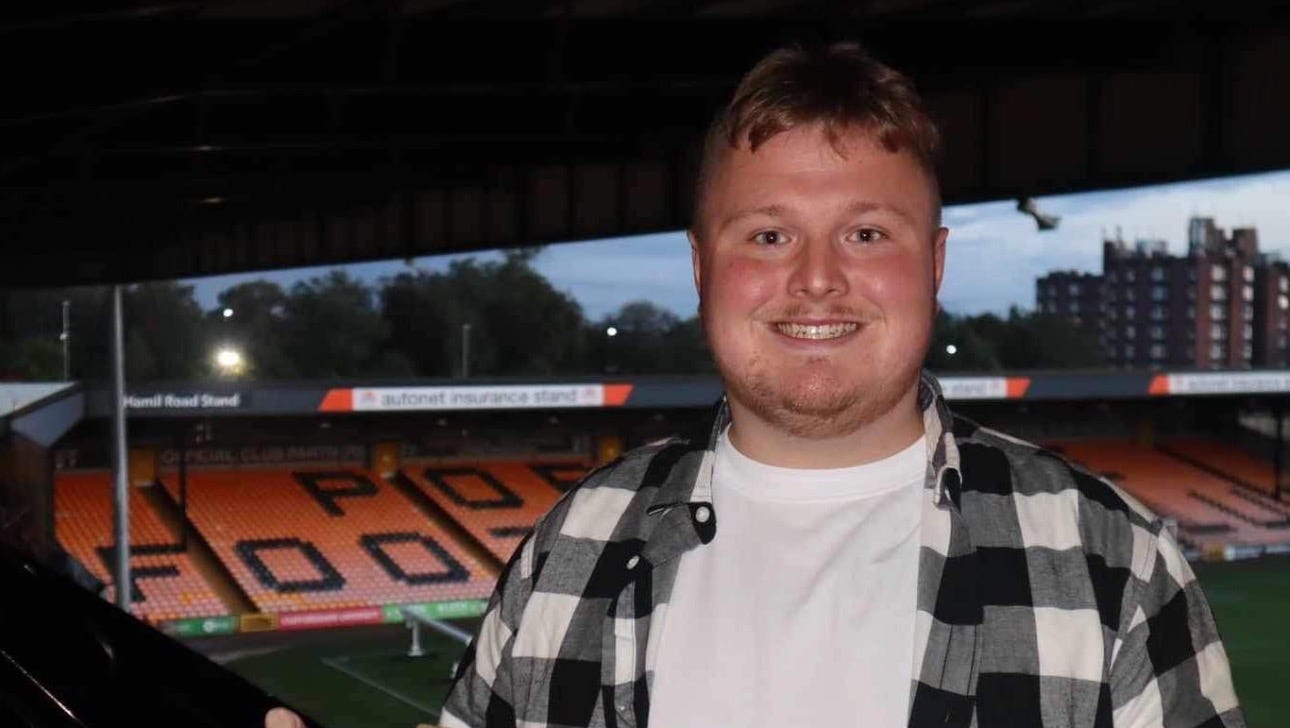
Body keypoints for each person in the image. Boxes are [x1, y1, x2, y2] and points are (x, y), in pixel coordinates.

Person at [268, 41, 1245, 728]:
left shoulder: (1112, 560)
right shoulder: (575, 542)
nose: (816, 276)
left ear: (937, 262)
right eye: (768, 234)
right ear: (701, 265)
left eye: (867, 232)